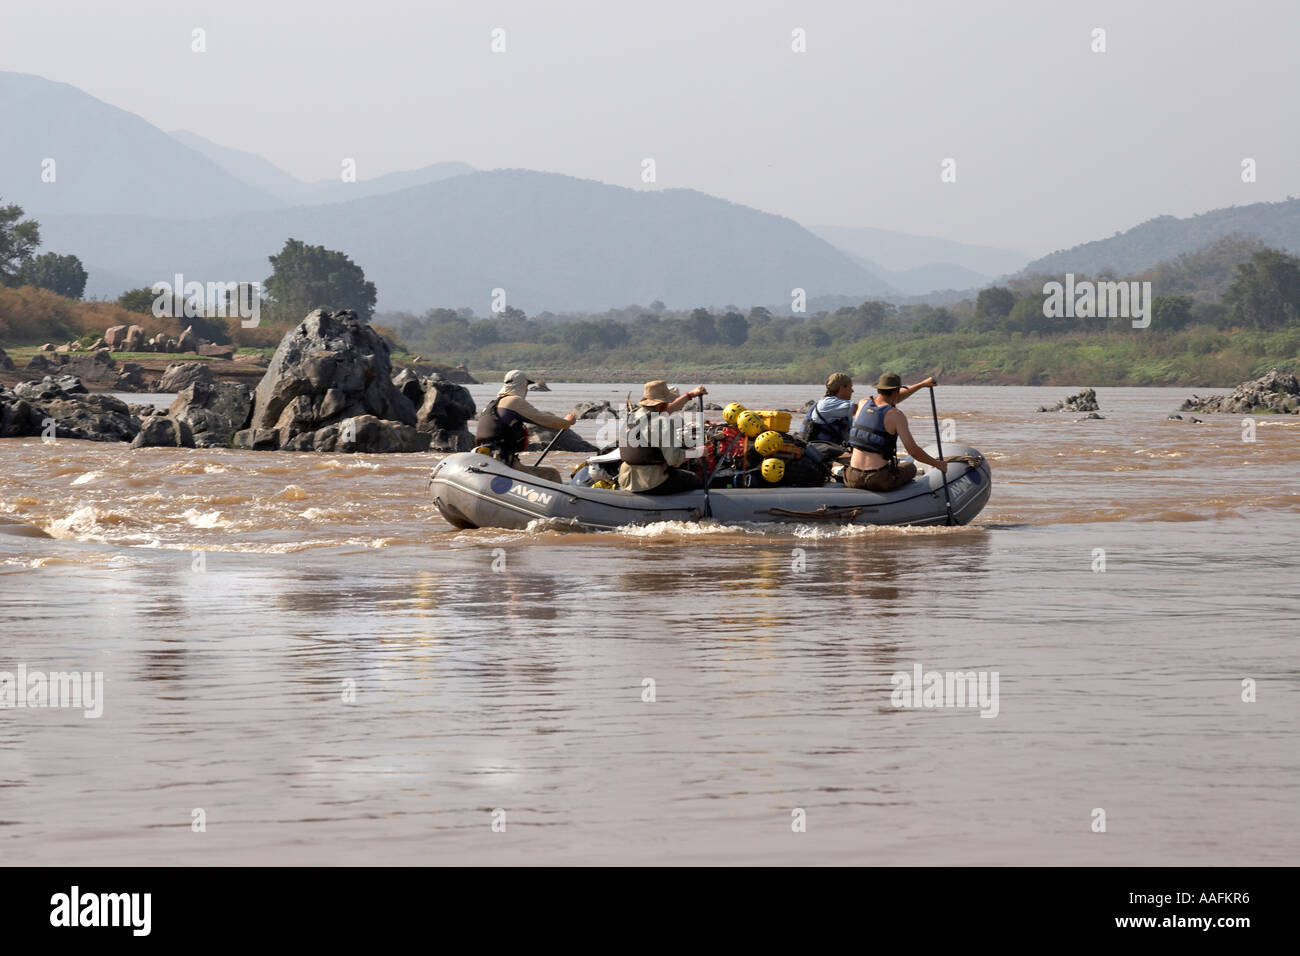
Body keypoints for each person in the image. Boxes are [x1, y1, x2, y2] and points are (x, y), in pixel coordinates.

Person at [844, 372, 947, 492]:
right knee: (910, 467)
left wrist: (922, 384)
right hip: (877, 479)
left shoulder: (862, 403)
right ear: (896, 391)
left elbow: (891, 400)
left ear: (878, 390)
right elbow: (913, 451)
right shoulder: (896, 415)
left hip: (852, 477)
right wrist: (938, 464)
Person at [475, 369, 576, 483]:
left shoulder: (491, 405)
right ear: (521, 385)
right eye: (526, 386)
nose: (527, 389)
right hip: (501, 461)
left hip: (483, 458)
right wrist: (566, 422)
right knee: (551, 474)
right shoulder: (514, 401)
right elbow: (544, 419)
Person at [618, 380, 709, 494]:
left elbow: (668, 409)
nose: (669, 404)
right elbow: (674, 459)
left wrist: (690, 395)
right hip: (651, 483)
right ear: (662, 404)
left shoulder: (635, 414)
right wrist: (698, 452)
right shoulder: (662, 423)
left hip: (626, 479)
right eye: (667, 402)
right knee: (693, 479)